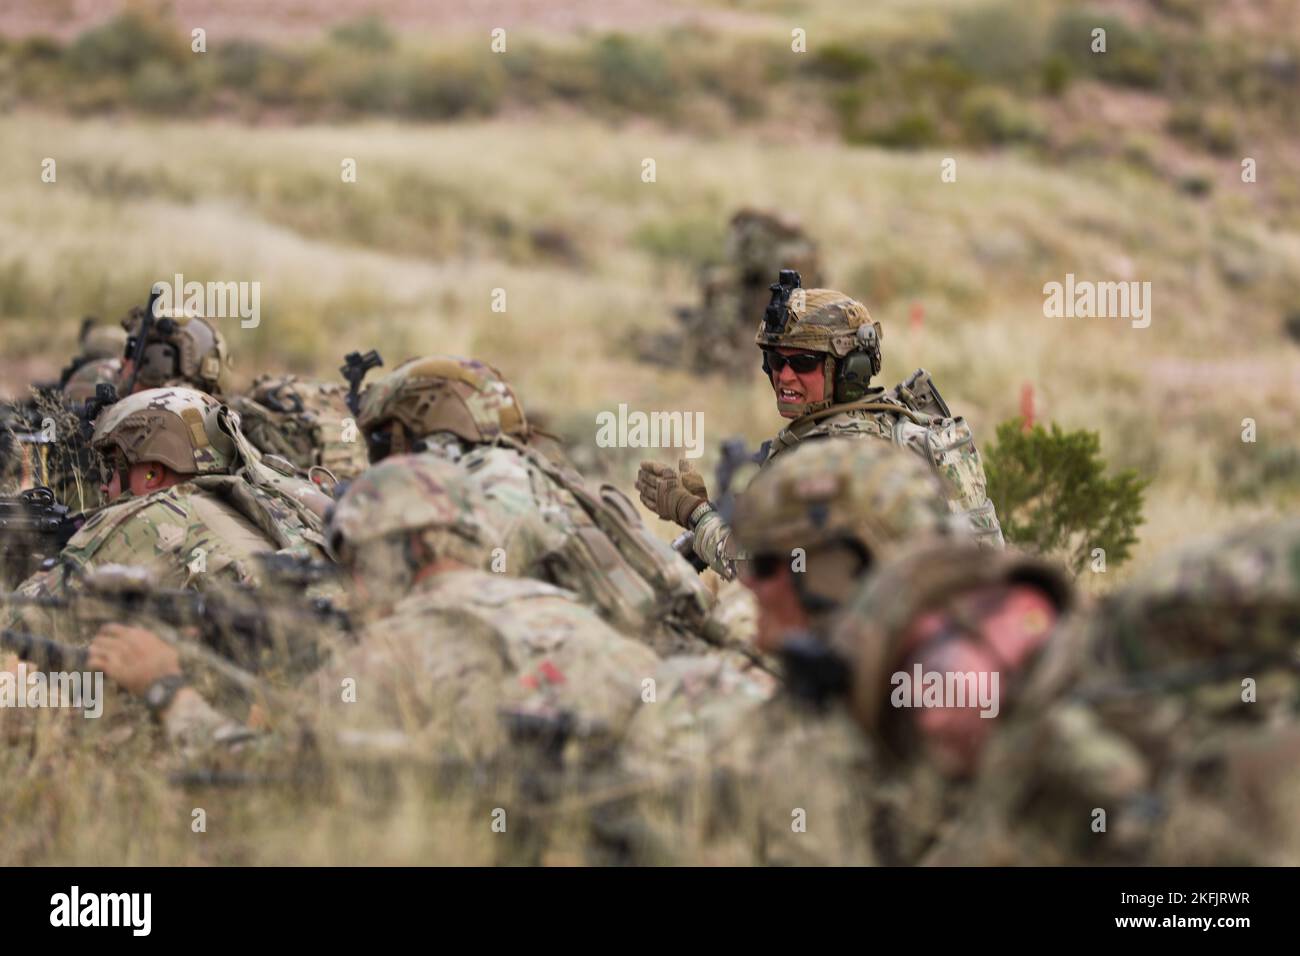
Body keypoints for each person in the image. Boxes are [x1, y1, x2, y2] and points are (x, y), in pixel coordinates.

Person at [637, 270, 1003, 579]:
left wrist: (692, 512)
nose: (785, 377)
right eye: (775, 361)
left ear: (849, 370)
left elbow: (764, 568)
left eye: (804, 363)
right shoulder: (894, 422)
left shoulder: (833, 456)